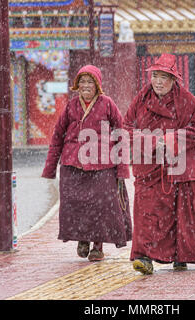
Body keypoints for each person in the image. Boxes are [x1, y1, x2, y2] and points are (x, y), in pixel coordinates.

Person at [124, 53, 195, 274]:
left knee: (180, 213)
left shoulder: (187, 101)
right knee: (147, 213)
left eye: (164, 76)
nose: (159, 81)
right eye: (155, 75)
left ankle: (180, 255)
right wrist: (153, 142)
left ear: (174, 80)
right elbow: (126, 129)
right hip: (149, 166)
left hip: (178, 164)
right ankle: (144, 257)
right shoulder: (140, 101)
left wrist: (172, 141)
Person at [42, 65, 132, 262]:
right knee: (77, 204)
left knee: (101, 207)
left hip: (103, 165)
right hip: (73, 164)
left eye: (90, 82)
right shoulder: (71, 106)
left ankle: (98, 246)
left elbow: (121, 135)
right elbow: (57, 136)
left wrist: (123, 168)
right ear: (77, 85)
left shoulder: (107, 104)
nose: (85, 86)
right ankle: (83, 238)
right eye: (82, 82)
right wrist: (50, 167)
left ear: (97, 85)